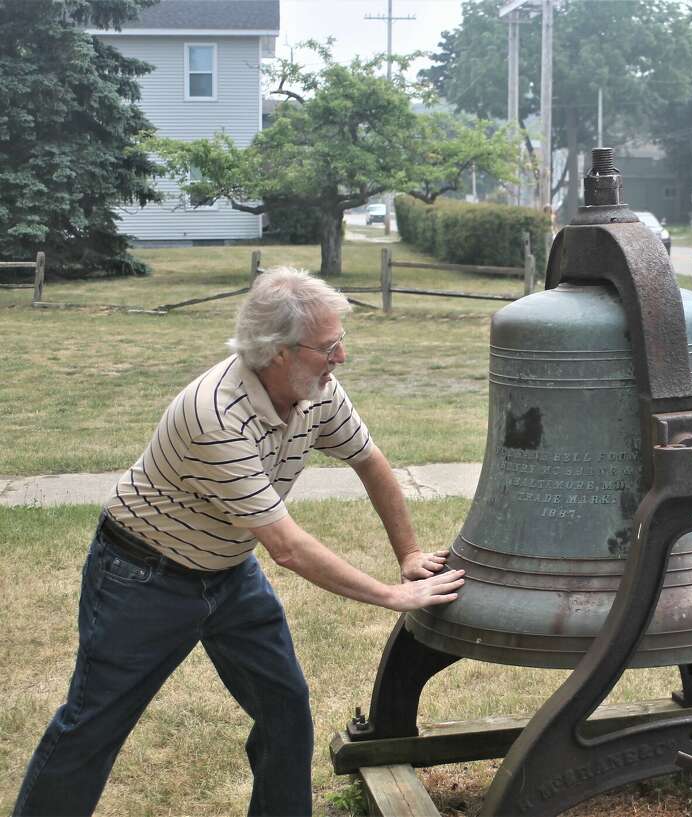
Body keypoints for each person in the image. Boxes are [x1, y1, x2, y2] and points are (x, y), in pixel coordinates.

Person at [13, 268, 466, 817]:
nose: (341, 356)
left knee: (285, 708)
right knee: (95, 723)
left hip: (228, 573)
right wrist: (394, 595)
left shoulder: (317, 391)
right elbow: (288, 547)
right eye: (328, 346)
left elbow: (369, 462)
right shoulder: (217, 414)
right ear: (277, 352)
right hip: (142, 577)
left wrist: (409, 554)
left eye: (340, 341)